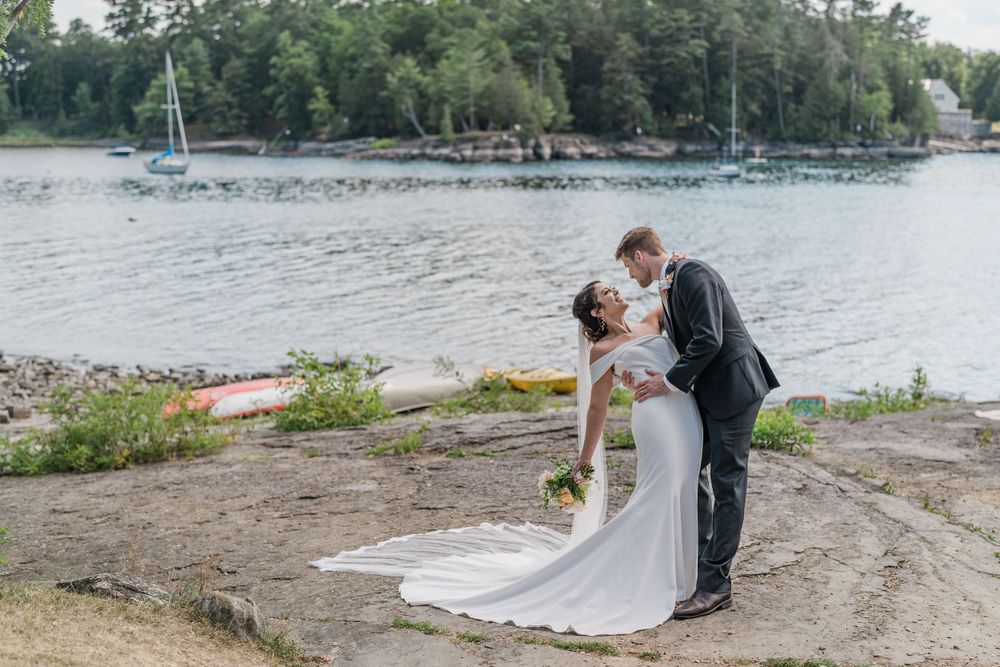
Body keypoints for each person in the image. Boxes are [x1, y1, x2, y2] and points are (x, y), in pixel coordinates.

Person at [310, 280, 704, 635]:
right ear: (598, 312)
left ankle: (680, 575)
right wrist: (584, 459)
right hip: (654, 421)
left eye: (613, 287)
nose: (616, 290)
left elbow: (675, 293)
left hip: (683, 413)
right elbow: (597, 408)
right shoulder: (601, 350)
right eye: (606, 293)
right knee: (658, 492)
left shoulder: (650, 323)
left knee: (683, 487)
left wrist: (675, 266)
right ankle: (658, 579)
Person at [614, 226, 779, 619]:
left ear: (639, 256)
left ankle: (715, 586)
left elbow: (709, 339)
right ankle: (696, 565)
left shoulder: (693, 273)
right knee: (690, 468)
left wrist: (668, 383)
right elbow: (678, 340)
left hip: (734, 390)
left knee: (727, 482)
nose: (629, 276)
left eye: (627, 267)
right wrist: (639, 370)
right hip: (710, 392)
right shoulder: (672, 280)